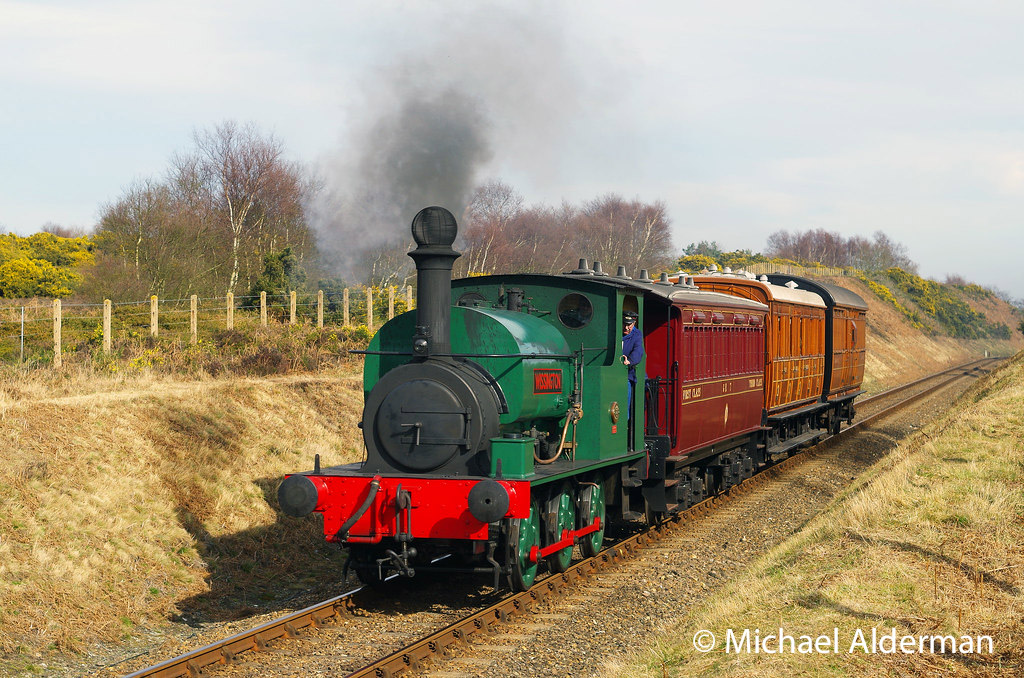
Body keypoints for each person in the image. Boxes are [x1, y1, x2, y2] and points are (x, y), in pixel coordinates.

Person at [621, 310, 644, 420]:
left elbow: (638, 352)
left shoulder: (637, 335)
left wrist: (629, 361)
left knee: (626, 388)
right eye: (624, 324)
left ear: (634, 323)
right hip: (614, 373)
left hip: (629, 374)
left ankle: (626, 419)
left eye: (629, 325)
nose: (626, 328)